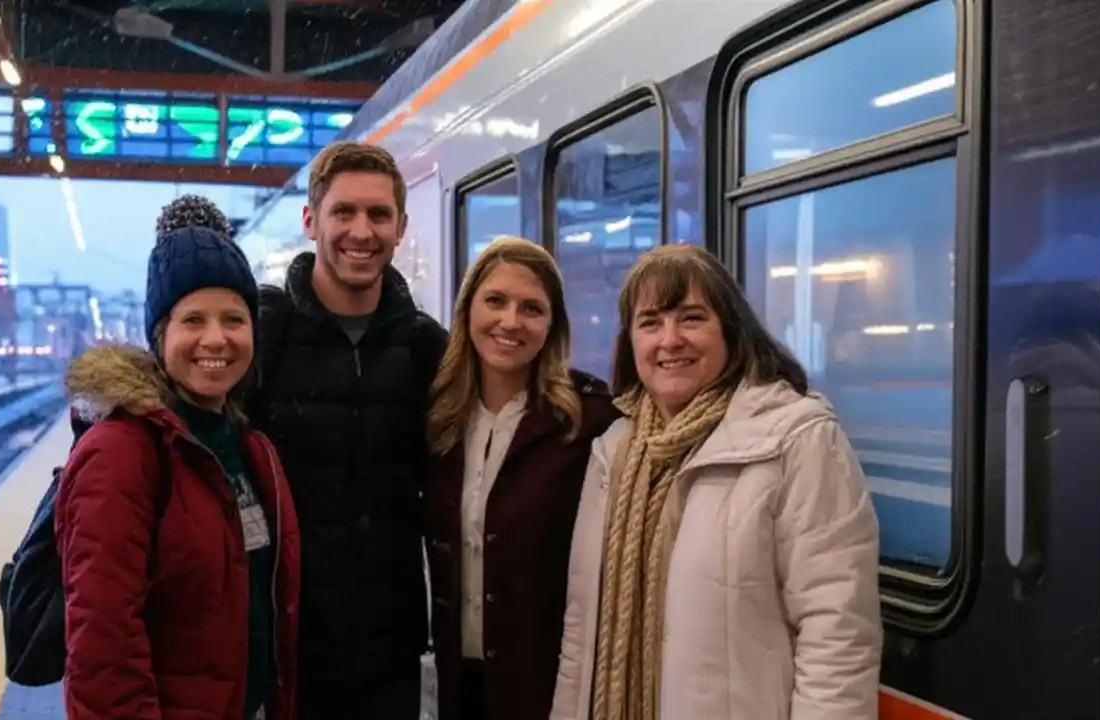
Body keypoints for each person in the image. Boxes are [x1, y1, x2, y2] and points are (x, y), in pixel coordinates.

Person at [550, 244, 882, 720]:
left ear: (730, 329)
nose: (669, 340)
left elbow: (838, 631)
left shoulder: (797, 439)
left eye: (691, 318)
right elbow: (583, 632)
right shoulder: (613, 451)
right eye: (650, 323)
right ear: (631, 343)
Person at [55, 208, 301, 720]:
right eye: (193, 320)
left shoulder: (250, 448)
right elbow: (104, 651)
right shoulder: (120, 454)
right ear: (159, 336)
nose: (216, 339)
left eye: (234, 319)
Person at [246, 142, 449, 719]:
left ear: (401, 227)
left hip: (390, 647)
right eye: (344, 212)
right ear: (311, 221)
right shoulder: (265, 334)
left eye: (379, 215)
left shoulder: (425, 347)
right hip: (286, 641)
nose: (362, 231)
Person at [424, 236, 620, 720]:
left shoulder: (588, 421)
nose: (510, 322)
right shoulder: (438, 418)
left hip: (547, 684)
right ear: (467, 309)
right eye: (495, 301)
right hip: (454, 681)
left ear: (552, 325)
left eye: (532, 308)